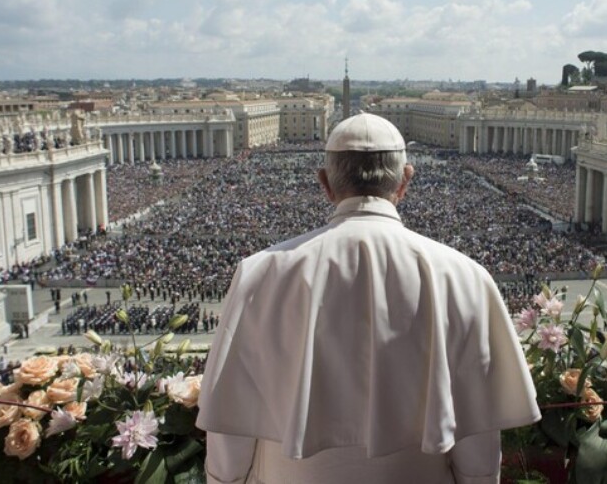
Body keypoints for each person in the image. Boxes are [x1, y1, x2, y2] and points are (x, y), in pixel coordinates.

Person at [196, 113, 540, 483]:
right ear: (405, 180)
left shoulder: (259, 274)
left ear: (325, 183)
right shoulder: (465, 277)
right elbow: (478, 442)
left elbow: (230, 424)